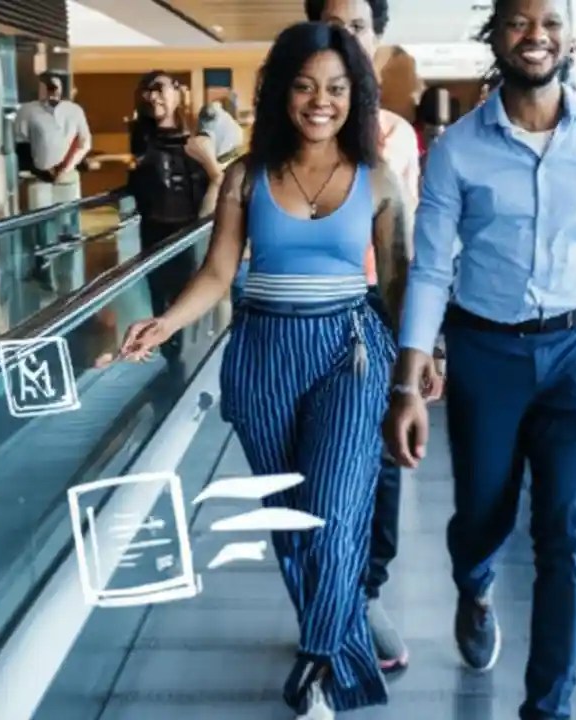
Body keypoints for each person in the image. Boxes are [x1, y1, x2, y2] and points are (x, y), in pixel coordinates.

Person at [114, 22, 412, 718]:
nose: (320, 101)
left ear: (355, 96)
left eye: (336, 89)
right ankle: (330, 662)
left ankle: (316, 660)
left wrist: (425, 362)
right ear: (281, 92)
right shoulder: (246, 178)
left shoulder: (380, 179)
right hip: (263, 355)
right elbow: (220, 271)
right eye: (304, 86)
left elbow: (399, 281)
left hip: (351, 349)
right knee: (292, 520)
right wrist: (165, 321)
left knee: (336, 513)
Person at [383, 1, 576, 718]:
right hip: (486, 352)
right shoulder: (459, 149)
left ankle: (548, 709)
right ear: (495, 36)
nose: (536, 36)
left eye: (551, 23)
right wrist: (407, 384)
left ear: (568, 37)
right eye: (518, 22)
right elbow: (431, 269)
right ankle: (474, 585)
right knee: (481, 514)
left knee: (569, 536)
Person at [305, 0, 436, 676]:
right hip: (306, 326)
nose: (347, 36)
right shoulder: (286, 128)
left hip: (377, 327)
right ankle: (333, 603)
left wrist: (425, 347)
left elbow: (410, 256)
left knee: (382, 471)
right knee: (320, 480)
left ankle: (364, 594)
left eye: (358, 24)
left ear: (377, 36)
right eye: (335, 23)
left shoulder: (396, 137)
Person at [127, 71, 224, 364]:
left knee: (186, 292)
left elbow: (216, 183)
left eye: (159, 89)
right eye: (147, 91)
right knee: (159, 292)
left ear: (177, 93)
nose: (153, 96)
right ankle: (169, 356)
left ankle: (184, 354)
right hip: (156, 229)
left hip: (188, 232)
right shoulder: (142, 140)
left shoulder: (197, 140)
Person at [15, 71, 91, 237]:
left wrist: (64, 168)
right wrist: (39, 171)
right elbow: (21, 145)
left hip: (68, 179)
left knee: (69, 227)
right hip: (39, 179)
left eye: (55, 87)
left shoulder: (74, 111)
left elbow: (84, 143)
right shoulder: (28, 111)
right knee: (41, 229)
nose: (52, 91)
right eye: (47, 87)